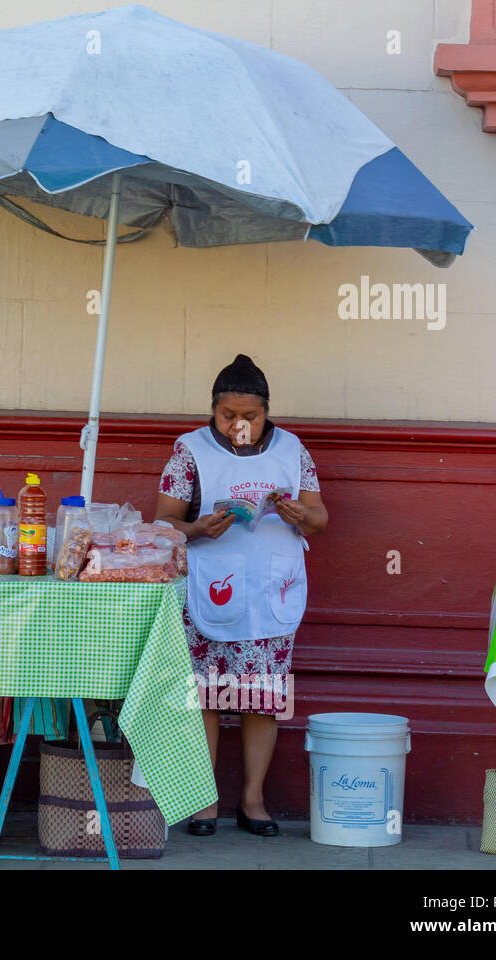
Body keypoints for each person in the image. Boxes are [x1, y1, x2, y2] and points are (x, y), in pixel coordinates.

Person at [156, 354, 327, 837]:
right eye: (228, 416)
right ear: (213, 411)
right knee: (207, 695)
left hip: (273, 586)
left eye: (249, 416)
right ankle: (205, 798)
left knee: (262, 698)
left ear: (266, 412)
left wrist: (299, 514)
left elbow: (321, 517)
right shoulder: (189, 452)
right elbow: (163, 521)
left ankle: (252, 800)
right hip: (211, 587)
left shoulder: (293, 451)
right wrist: (194, 527)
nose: (239, 425)